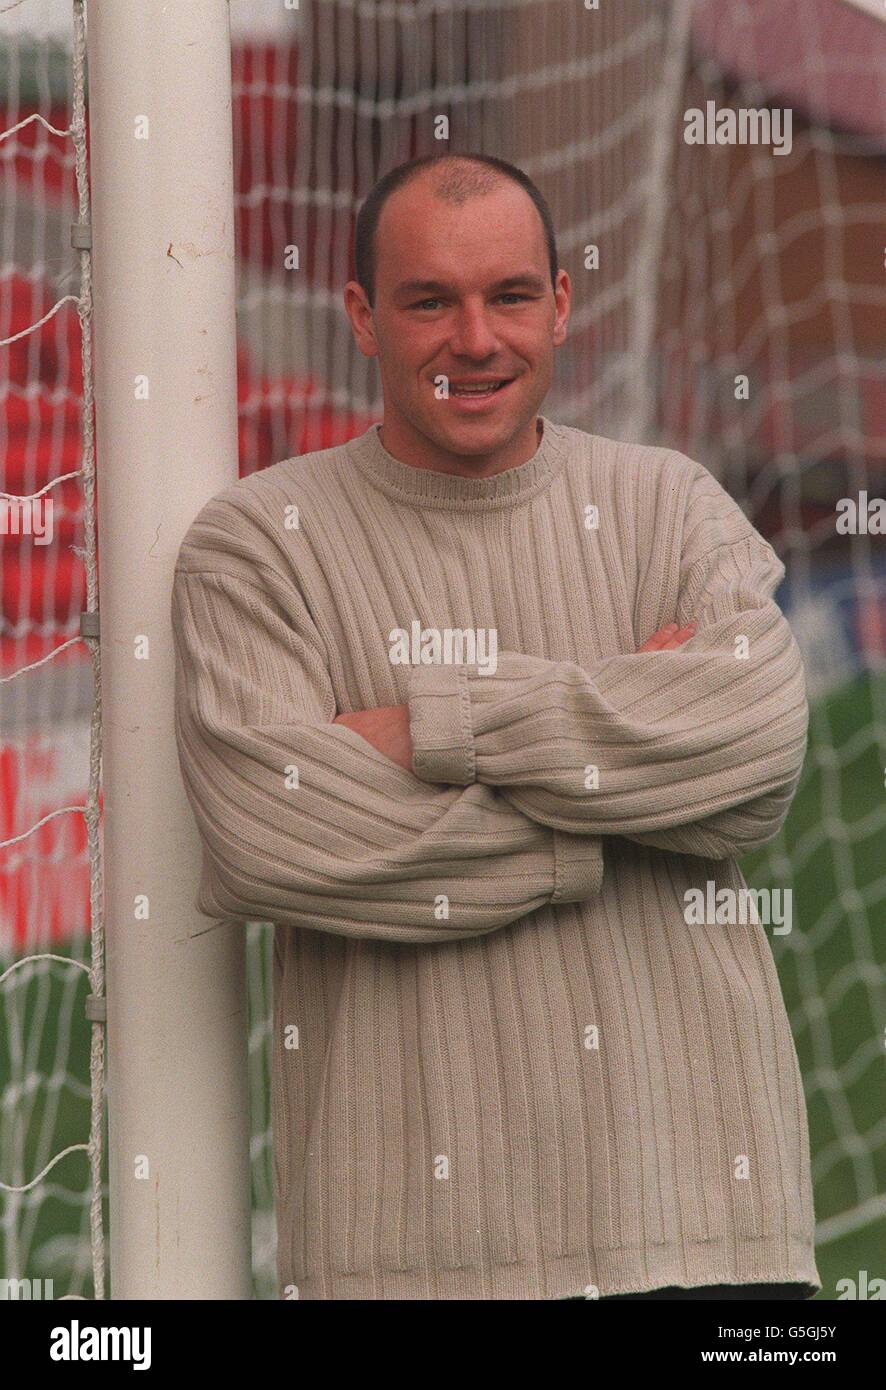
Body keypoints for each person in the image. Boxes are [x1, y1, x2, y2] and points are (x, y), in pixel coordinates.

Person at [171, 152, 820, 1301]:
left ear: (562, 303)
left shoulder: (668, 503)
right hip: (412, 1257)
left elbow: (755, 753)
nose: (475, 339)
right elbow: (268, 833)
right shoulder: (257, 544)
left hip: (709, 1235)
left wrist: (430, 724)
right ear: (362, 317)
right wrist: (616, 808)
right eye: (430, 300)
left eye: (510, 295)